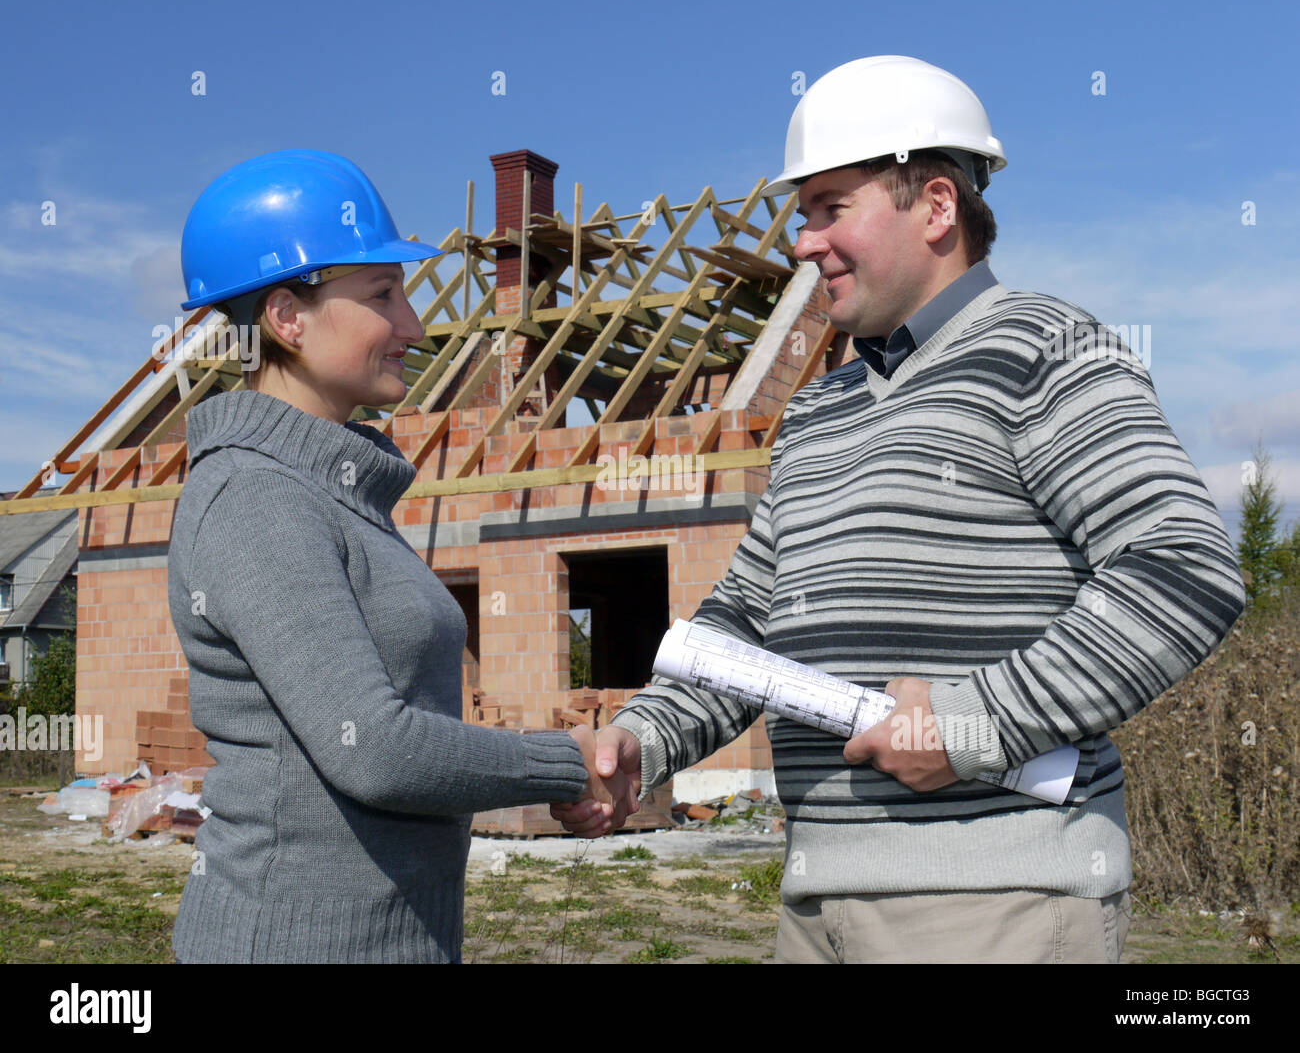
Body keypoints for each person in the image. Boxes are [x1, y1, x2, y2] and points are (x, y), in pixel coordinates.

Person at [553, 57, 1245, 963]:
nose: (803, 242)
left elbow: (1183, 567)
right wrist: (646, 738)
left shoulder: (1045, 350)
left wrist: (971, 726)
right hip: (815, 900)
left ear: (938, 205)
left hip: (997, 904)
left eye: (830, 207)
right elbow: (747, 627)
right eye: (804, 213)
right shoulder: (820, 410)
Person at [168, 149, 627, 963]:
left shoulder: (333, 490)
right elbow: (371, 749)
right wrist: (565, 763)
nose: (413, 325)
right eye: (382, 294)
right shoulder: (258, 498)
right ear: (287, 317)